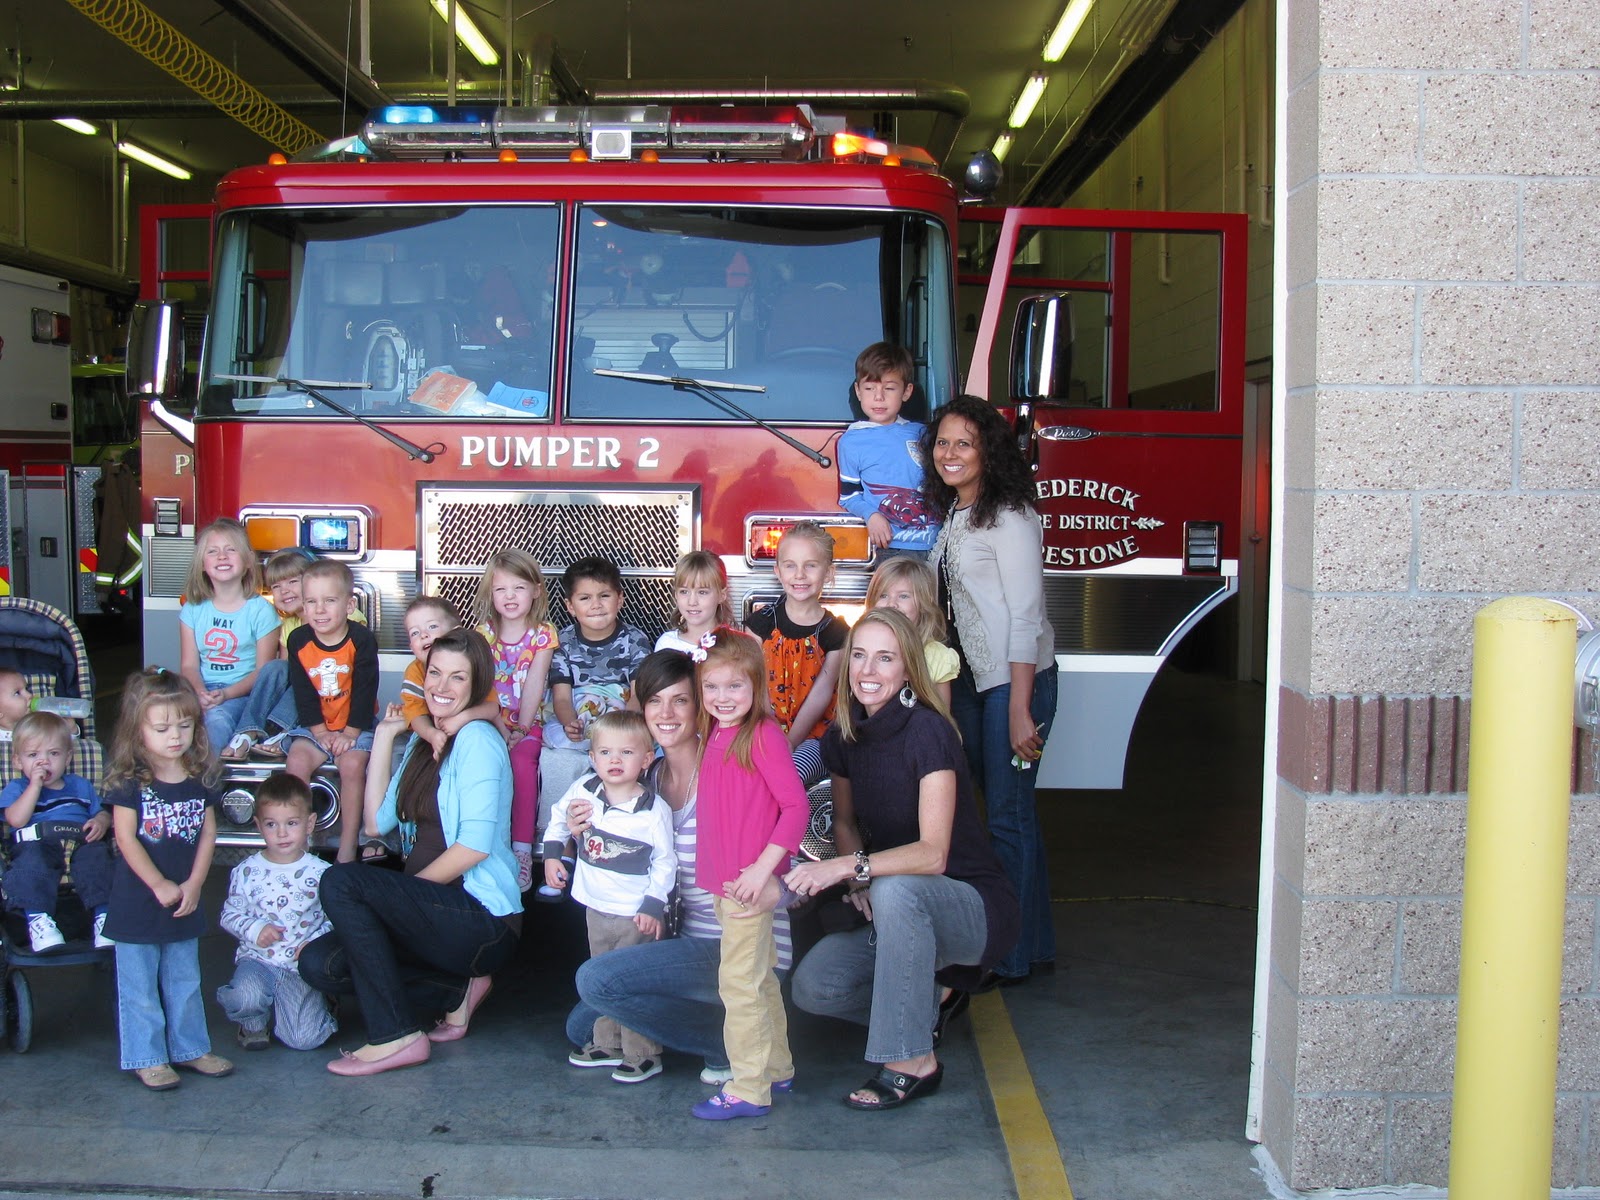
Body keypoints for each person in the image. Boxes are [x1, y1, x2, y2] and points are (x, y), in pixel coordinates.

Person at [786, 608, 1019, 1109]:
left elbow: (933, 855)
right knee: (815, 987)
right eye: (860, 657)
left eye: (885, 658)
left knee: (899, 886)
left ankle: (912, 1059)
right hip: (899, 907)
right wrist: (859, 884)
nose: (868, 671)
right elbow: (844, 824)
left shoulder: (929, 731)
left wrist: (846, 868)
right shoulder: (846, 734)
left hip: (971, 907)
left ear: (909, 668)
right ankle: (928, 1002)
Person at [566, 650, 797, 1086]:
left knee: (599, 983)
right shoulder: (641, 779)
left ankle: (727, 1046)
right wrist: (583, 834)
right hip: (681, 944)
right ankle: (715, 1034)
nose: (666, 714)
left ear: (701, 705)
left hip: (740, 942)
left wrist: (776, 888)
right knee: (583, 1024)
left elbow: (791, 850)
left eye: (680, 700)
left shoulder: (732, 760)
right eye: (655, 701)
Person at [298, 628, 521, 1077]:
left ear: (477, 685)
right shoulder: (426, 741)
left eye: (458, 678)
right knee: (320, 964)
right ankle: (454, 990)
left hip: (480, 918)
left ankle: (396, 1033)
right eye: (435, 673)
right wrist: (385, 735)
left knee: (341, 879)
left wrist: (401, 900)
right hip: (433, 917)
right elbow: (376, 824)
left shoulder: (477, 739)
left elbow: (474, 847)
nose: (442, 687)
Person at [923, 395, 1059, 984]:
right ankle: (1034, 942)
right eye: (943, 442)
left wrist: (1021, 707)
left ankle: (1009, 955)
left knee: (1007, 818)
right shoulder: (958, 512)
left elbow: (1026, 615)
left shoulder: (1010, 515)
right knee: (1008, 816)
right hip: (978, 684)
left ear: (988, 451)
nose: (949, 454)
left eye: (964, 443)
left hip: (1015, 681)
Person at [690, 629, 808, 1120]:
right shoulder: (717, 733)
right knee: (757, 981)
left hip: (747, 886)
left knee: (738, 985)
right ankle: (776, 1068)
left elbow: (795, 808)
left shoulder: (762, 735)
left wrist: (763, 870)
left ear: (756, 686)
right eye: (712, 687)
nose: (722, 698)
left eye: (735, 687)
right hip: (729, 884)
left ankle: (748, 1087)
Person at [102, 668, 232, 1091]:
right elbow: (125, 837)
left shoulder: (197, 777)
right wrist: (158, 883)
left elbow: (208, 832)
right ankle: (147, 1056)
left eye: (184, 724)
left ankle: (191, 1048)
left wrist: (195, 884)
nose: (174, 736)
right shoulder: (130, 781)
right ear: (138, 732)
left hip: (184, 899)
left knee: (185, 980)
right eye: (161, 727)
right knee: (139, 987)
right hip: (138, 903)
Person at [544, 710, 676, 1083]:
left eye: (626, 753)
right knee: (600, 976)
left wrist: (654, 905)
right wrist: (554, 852)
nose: (614, 761)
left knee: (632, 983)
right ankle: (608, 1042)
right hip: (595, 907)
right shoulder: (584, 791)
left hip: (636, 914)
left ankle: (643, 1052)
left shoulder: (652, 811)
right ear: (592, 757)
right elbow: (557, 816)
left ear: (647, 759)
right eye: (605, 753)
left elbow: (665, 862)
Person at [214, 773, 336, 1051]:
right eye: (271, 824)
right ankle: (252, 1023)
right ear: (258, 825)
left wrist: (315, 945)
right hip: (258, 961)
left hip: (299, 967)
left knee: (304, 1041)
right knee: (245, 996)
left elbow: (334, 920)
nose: (282, 833)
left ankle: (325, 1001)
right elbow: (229, 915)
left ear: (310, 824)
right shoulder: (246, 871)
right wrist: (255, 930)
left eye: (291, 823)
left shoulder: (322, 873)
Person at [539, 555, 651, 834]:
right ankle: (555, 832)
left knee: (636, 745)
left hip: (620, 715)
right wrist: (570, 723)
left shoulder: (634, 639)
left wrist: (621, 726)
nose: (596, 605)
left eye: (604, 595)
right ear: (570, 606)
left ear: (620, 599)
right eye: (585, 598)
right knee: (555, 752)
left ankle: (620, 826)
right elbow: (562, 698)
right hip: (579, 716)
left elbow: (638, 696)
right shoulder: (562, 641)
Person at [222, 548, 367, 762]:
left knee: (308, 675)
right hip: (301, 690)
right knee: (275, 668)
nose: (284, 591)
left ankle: (284, 732)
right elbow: (286, 669)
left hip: (335, 687)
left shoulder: (345, 614)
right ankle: (246, 732)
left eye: (292, 582)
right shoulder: (289, 626)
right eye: (276, 586)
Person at [282, 559, 380, 864]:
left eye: (329, 601)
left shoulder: (361, 640)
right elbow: (302, 691)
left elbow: (366, 689)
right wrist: (320, 732)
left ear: (350, 605)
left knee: (351, 767)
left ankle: (348, 845)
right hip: (316, 726)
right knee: (296, 761)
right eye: (311, 602)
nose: (319, 610)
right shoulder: (298, 640)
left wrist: (351, 733)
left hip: (356, 723)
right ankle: (298, 842)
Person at [474, 549, 559, 891]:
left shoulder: (543, 634)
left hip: (527, 721)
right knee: (483, 765)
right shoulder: (483, 634)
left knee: (522, 764)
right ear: (490, 595)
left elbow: (535, 684)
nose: (509, 597)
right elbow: (481, 685)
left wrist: (522, 728)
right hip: (490, 718)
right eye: (501, 589)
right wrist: (496, 725)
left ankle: (522, 850)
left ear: (536, 590)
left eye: (519, 588)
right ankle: (482, 843)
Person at [743, 522, 848, 786]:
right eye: (790, 565)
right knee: (745, 772)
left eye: (810, 565)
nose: (799, 575)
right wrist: (769, 734)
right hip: (761, 727)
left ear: (829, 573)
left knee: (791, 774)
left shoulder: (837, 633)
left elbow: (822, 693)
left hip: (813, 736)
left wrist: (789, 743)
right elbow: (754, 682)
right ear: (778, 571)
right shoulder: (760, 624)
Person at [0, 711, 113, 950]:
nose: (44, 762)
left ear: (67, 757)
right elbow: (16, 820)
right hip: (38, 843)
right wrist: (35, 785)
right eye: (33, 755)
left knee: (98, 857)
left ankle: (104, 918)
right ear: (18, 762)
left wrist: (102, 821)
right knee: (30, 863)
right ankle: (38, 920)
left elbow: (100, 811)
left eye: (53, 754)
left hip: (80, 842)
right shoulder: (18, 787)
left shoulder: (80, 786)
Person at [178, 517, 280, 752]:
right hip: (199, 688)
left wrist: (224, 695)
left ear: (246, 562)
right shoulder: (192, 609)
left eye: (230, 550)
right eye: (212, 551)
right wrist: (200, 692)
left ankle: (203, 780)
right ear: (202, 564)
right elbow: (189, 666)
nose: (222, 556)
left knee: (217, 720)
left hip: (241, 693)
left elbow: (262, 672)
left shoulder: (261, 611)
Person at [837, 342, 939, 558]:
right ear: (858, 391)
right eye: (869, 388)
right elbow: (849, 497)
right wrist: (871, 515)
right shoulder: (850, 442)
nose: (879, 397)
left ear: (907, 391)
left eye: (890, 388)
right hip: (889, 548)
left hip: (935, 545)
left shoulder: (924, 433)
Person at [399, 596, 498, 755]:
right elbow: (415, 713)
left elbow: (493, 707)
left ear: (455, 632)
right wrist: (431, 734)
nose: (423, 635)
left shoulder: (470, 663)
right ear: (411, 646)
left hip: (469, 728)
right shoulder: (414, 672)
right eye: (414, 632)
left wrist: (462, 718)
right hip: (432, 735)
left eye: (432, 626)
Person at [864, 557, 960, 708]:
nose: (891, 604)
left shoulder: (936, 655)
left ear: (922, 604)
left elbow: (942, 721)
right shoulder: (861, 649)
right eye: (883, 595)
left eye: (903, 596)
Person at [656, 550, 736, 654]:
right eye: (684, 592)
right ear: (676, 594)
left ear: (722, 595)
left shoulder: (735, 647)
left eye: (702, 592)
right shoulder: (667, 644)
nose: (692, 602)